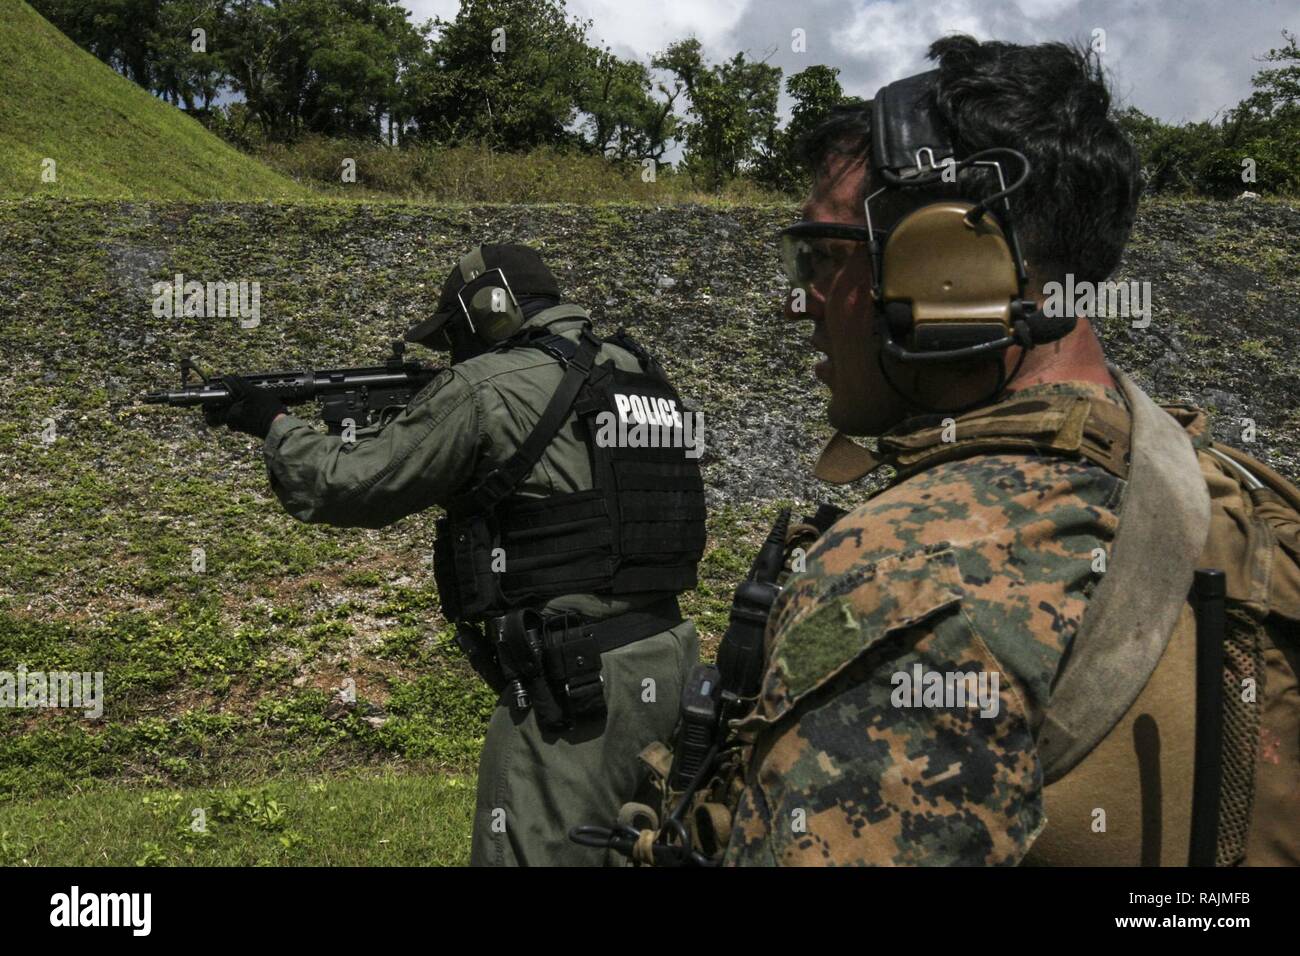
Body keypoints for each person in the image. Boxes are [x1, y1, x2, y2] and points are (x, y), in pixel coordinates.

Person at [723, 36, 1299, 866]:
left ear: (946, 265)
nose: (799, 302)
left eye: (821, 257)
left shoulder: (907, 575)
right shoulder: (1236, 496)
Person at [203, 243, 705, 866]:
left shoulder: (484, 388)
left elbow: (349, 482)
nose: (452, 356)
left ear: (486, 314)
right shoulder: (641, 374)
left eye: (454, 338)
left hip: (572, 689)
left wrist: (274, 423)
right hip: (672, 662)